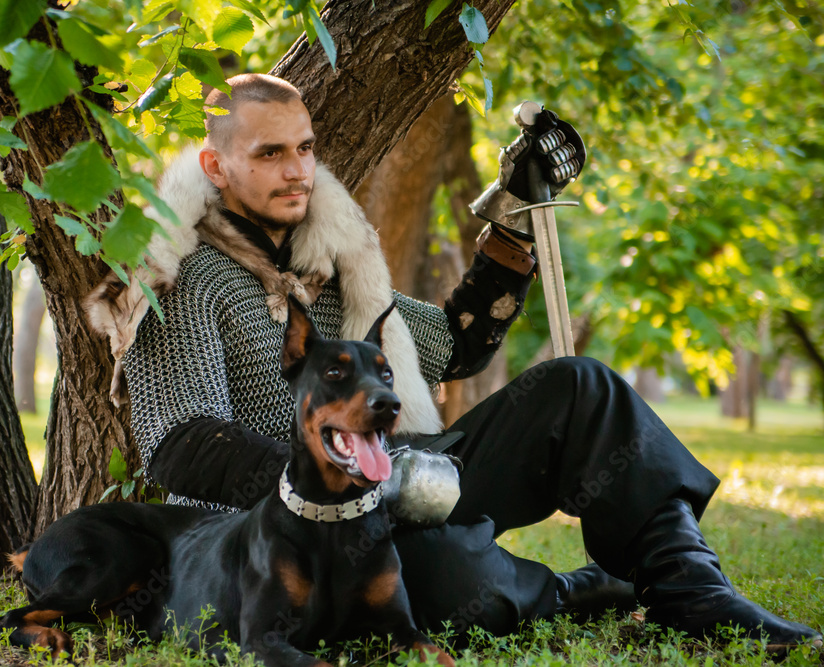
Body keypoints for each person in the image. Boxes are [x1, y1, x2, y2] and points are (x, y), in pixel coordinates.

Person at [96, 73, 821, 652]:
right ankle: (578, 589)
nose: (298, 171)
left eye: (306, 148)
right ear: (215, 165)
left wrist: (514, 219)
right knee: (444, 576)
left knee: (583, 387)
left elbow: (456, 342)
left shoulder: (333, 262)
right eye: (270, 154)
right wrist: (345, 477)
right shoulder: (179, 278)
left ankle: (693, 590)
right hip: (287, 534)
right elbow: (180, 444)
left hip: (403, 470)